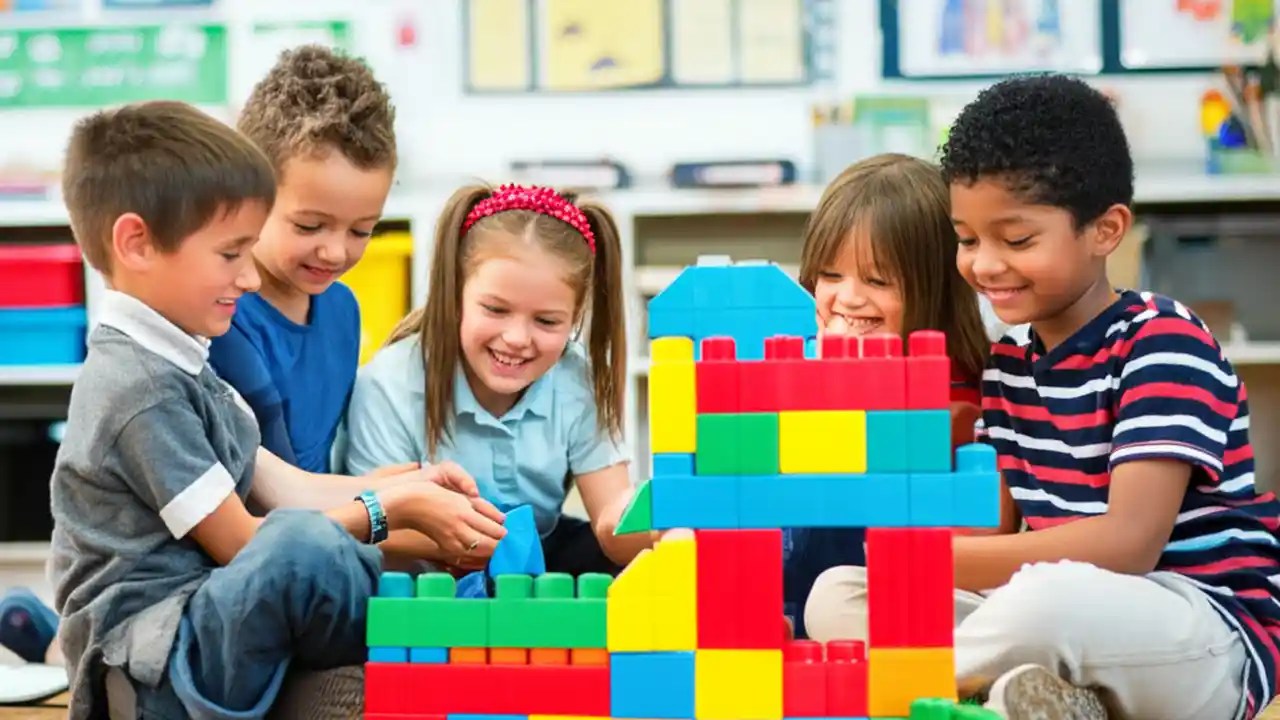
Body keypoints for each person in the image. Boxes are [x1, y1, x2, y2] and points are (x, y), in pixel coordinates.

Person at [816, 74, 1280, 720]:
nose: (984, 265)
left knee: (1045, 602)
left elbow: (1129, 546)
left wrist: (939, 558)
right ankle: (1027, 699)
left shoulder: (1162, 341)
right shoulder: (1008, 367)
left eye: (1018, 240)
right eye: (969, 239)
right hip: (1061, 618)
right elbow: (993, 536)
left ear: (1106, 230)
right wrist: (919, 513)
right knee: (840, 593)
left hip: (1199, 633)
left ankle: (897, 687)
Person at [49, 100, 507, 720]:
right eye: (231, 254)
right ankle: (418, 636)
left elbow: (284, 485)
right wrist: (387, 509)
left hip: (211, 619)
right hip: (155, 661)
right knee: (305, 551)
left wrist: (409, 486)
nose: (251, 278)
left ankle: (409, 636)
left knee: (330, 542)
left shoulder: (183, 359)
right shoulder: (137, 388)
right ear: (137, 243)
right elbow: (244, 541)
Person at [344, 183, 652, 575]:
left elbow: (612, 526)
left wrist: (668, 519)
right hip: (423, 570)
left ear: (574, 319)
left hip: (531, 563)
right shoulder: (391, 382)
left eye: (547, 321)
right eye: (495, 309)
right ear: (455, 293)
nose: (517, 339)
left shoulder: (575, 380)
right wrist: (476, 539)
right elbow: (372, 525)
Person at [782, 153, 992, 639]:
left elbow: (971, 536)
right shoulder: (797, 366)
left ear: (939, 287)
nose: (848, 298)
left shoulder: (972, 387)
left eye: (877, 281)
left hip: (904, 588)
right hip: (805, 603)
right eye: (830, 276)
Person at [207, 45, 397, 476]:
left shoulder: (342, 308)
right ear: (249, 195)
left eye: (361, 230)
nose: (335, 252)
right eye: (310, 226)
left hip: (323, 520)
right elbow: (268, 489)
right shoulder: (220, 318)